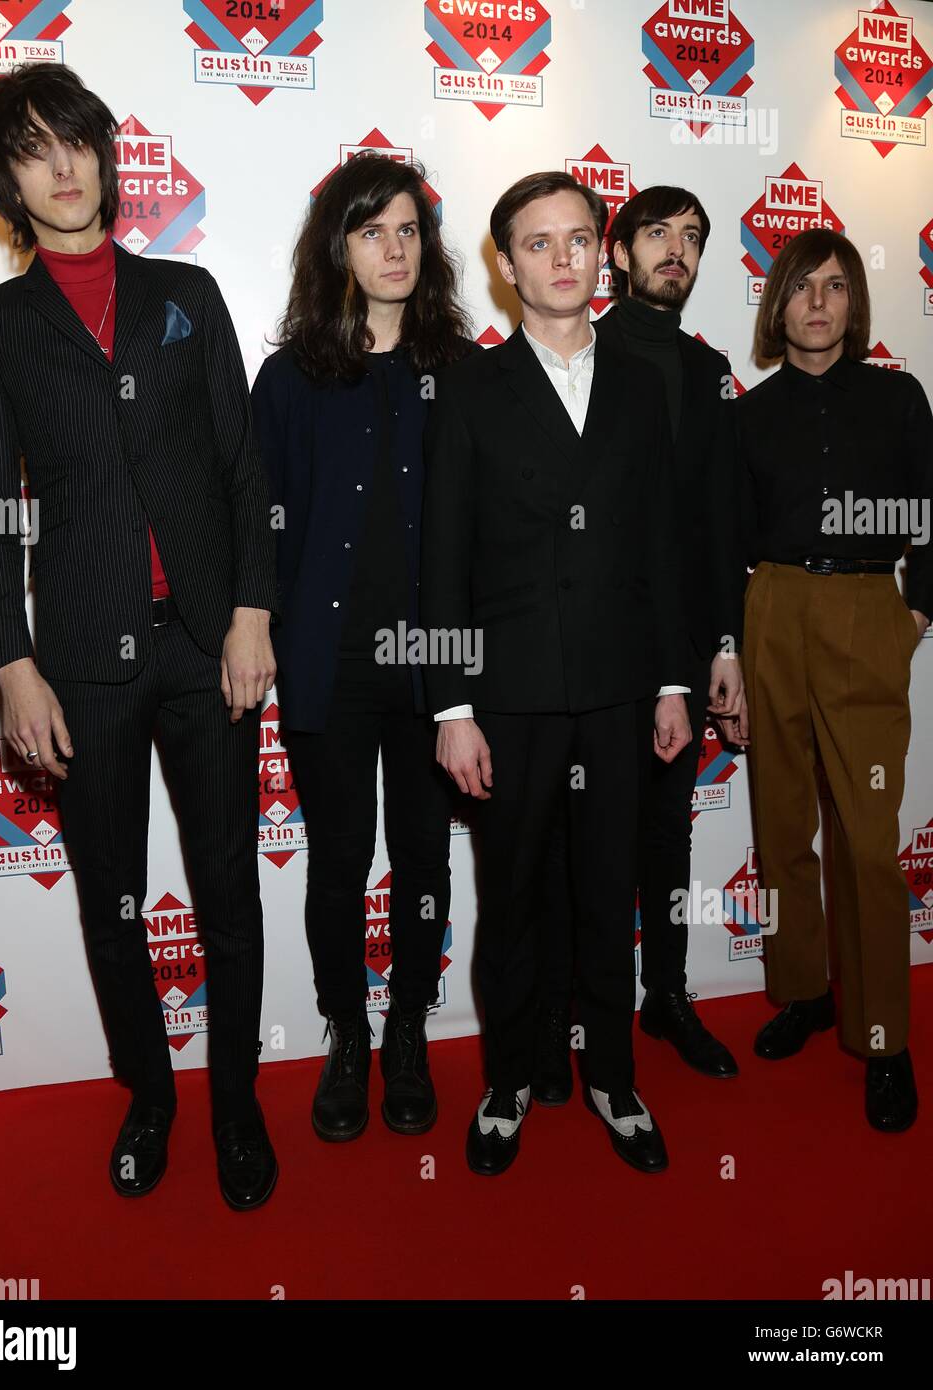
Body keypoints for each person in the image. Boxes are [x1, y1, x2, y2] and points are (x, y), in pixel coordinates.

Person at [0, 63, 278, 1209]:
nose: (63, 164)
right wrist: (11, 660)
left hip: (206, 645)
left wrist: (249, 610)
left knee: (228, 893)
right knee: (115, 902)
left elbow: (242, 465)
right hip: (83, 656)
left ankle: (236, 1102)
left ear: (105, 153)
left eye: (76, 140)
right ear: (7, 184)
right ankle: (152, 1093)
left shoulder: (186, 290)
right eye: (33, 150)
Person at [421, 171, 692, 1176]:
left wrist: (670, 680)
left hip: (622, 691)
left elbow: (659, 545)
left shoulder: (639, 381)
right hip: (512, 694)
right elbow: (441, 558)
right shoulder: (470, 389)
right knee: (515, 895)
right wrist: (452, 704)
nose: (564, 258)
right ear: (505, 265)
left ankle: (613, 1077)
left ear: (602, 251)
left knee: (605, 894)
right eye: (539, 243)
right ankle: (510, 1078)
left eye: (580, 237)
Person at [251, 154, 473, 1143]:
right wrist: (252, 623)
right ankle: (347, 1033)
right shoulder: (290, 377)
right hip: (330, 664)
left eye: (410, 230)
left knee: (424, 857)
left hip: (437, 668)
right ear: (336, 246)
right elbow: (252, 522)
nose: (395, 249)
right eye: (372, 230)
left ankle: (411, 1030)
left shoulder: (465, 372)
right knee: (340, 862)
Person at [531, 187, 745, 1106]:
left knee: (666, 834)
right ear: (615, 252)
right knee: (576, 844)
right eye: (659, 234)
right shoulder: (581, 350)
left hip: (682, 646)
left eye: (694, 239)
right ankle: (576, 1014)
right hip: (585, 651)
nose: (678, 252)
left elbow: (719, 522)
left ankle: (664, 996)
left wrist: (723, 646)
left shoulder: (708, 373)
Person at [733, 227, 932, 1132]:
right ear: (778, 306)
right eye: (802, 288)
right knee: (780, 827)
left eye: (837, 288)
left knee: (866, 843)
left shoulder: (898, 398)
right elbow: (728, 540)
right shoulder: (749, 413)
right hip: (772, 608)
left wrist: (913, 616)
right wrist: (728, 649)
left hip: (864, 609)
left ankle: (883, 1036)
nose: (818, 303)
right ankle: (804, 991)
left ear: (855, 304)